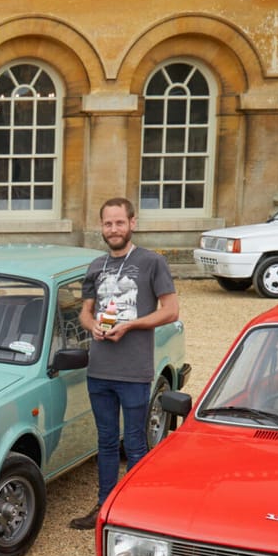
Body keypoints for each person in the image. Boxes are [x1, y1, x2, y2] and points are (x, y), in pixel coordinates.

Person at [70, 198, 180, 530]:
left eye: (119, 223)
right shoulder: (95, 266)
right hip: (99, 369)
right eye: (108, 224)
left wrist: (131, 325)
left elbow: (171, 310)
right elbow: (85, 312)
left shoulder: (151, 262)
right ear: (101, 227)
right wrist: (94, 328)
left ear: (132, 223)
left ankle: (134, 511)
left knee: (133, 441)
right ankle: (104, 506)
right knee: (104, 441)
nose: (113, 229)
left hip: (133, 369)